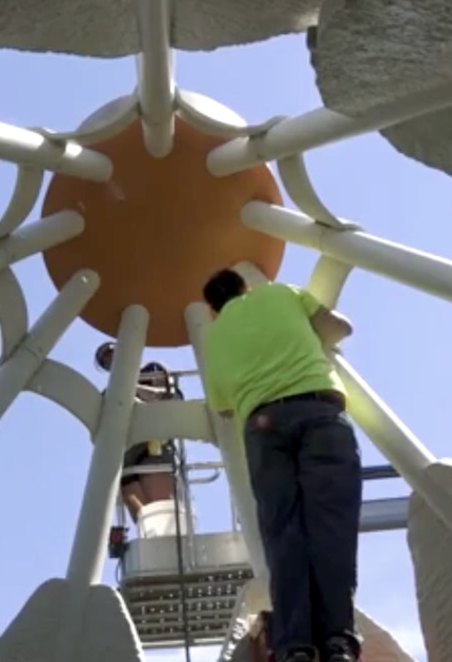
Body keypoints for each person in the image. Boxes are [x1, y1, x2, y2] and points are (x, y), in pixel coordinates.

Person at [200, 268, 362, 662]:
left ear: (212, 309)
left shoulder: (214, 336)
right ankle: (337, 639)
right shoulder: (282, 294)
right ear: (245, 286)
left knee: (283, 536)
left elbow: (221, 405)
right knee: (331, 529)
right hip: (318, 409)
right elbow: (340, 328)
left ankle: (294, 648)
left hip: (262, 426)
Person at [95, 343, 183, 524]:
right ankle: (152, 542)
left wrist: (130, 387)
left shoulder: (152, 370)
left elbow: (170, 398)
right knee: (145, 523)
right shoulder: (108, 394)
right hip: (127, 458)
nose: (110, 360)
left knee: (164, 517)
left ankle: (169, 540)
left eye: (112, 353)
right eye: (105, 361)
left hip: (154, 449)